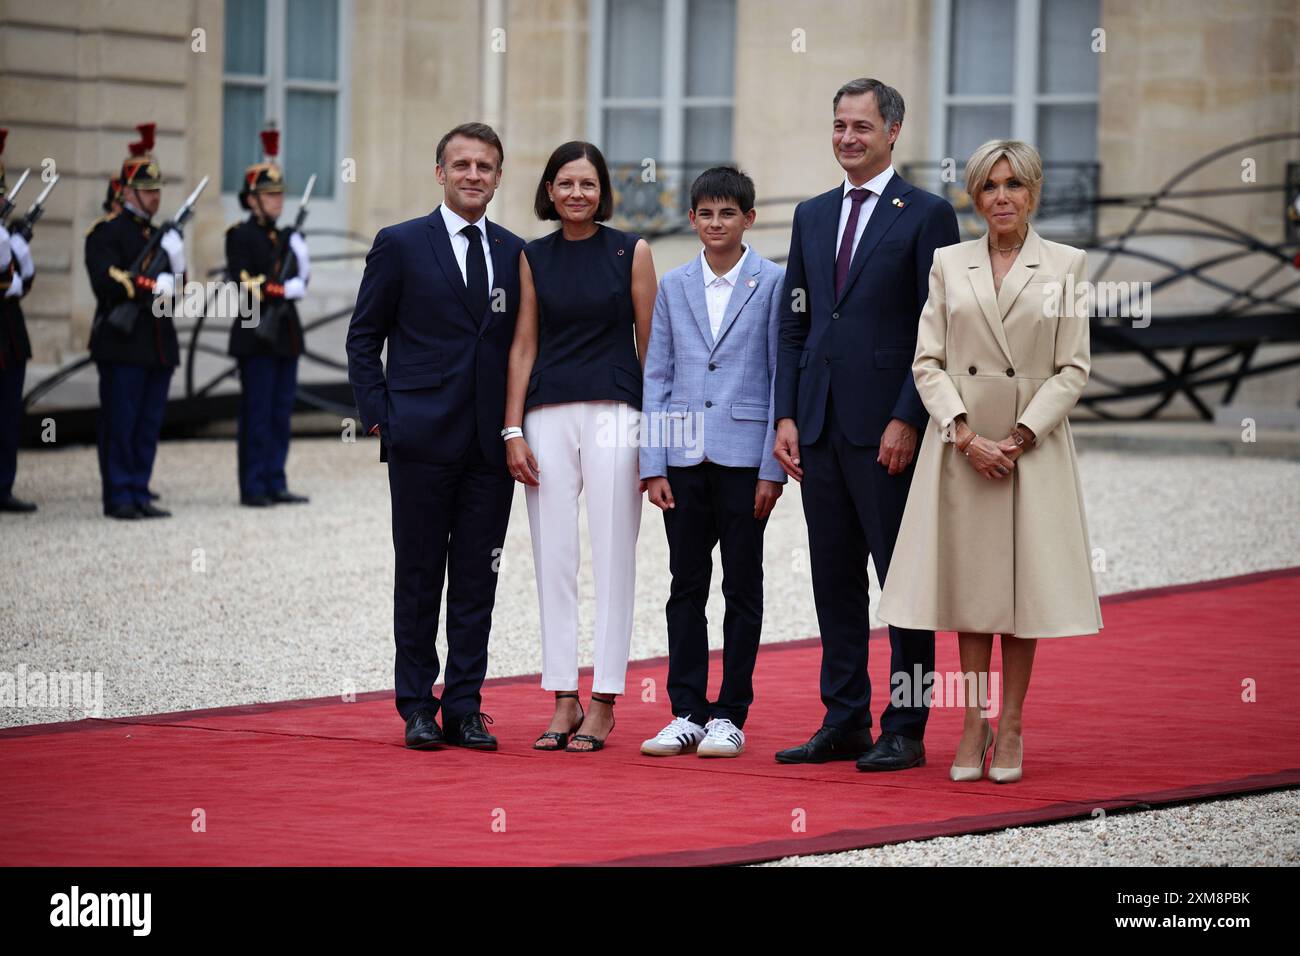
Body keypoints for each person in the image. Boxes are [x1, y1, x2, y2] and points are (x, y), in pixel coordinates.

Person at [878, 139, 1103, 784]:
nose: (1001, 197)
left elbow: (1072, 368)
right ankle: (970, 721)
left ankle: (1010, 724)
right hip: (963, 448)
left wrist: (1021, 436)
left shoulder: (1066, 264)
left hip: (1031, 449)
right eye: (988, 186)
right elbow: (927, 360)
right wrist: (963, 434)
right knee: (974, 590)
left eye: (1013, 185)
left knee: (1021, 593)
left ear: (1033, 191)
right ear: (974, 196)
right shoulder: (949, 263)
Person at [772, 78, 960, 770]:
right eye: (839, 125)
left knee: (902, 582)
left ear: (892, 132)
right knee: (835, 581)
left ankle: (906, 727)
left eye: (861, 127)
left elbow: (938, 327)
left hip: (888, 430)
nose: (847, 138)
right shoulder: (812, 214)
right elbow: (795, 324)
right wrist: (786, 412)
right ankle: (844, 718)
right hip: (818, 426)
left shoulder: (927, 214)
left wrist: (910, 417)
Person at [346, 122, 525, 752]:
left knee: (478, 578)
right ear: (440, 173)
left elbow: (519, 345)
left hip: (488, 446)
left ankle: (466, 706)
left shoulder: (513, 250)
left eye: (485, 166)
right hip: (420, 438)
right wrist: (379, 416)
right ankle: (417, 705)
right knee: (420, 576)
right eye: (462, 165)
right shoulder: (399, 244)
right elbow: (364, 336)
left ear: (499, 177)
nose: (474, 175)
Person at [503, 140, 656, 753]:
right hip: (546, 413)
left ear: (602, 191)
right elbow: (523, 344)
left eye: (587, 184)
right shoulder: (530, 255)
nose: (576, 194)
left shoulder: (631, 250)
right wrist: (512, 428)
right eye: (565, 183)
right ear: (548, 190)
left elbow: (655, 347)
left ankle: (605, 699)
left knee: (614, 553)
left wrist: (660, 440)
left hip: (618, 412)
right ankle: (563, 695)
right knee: (554, 556)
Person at [638, 166, 786, 759]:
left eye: (728, 213)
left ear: (748, 219)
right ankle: (686, 711)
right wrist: (654, 463)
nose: (716, 223)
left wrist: (772, 469)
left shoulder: (773, 281)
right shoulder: (673, 284)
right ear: (693, 219)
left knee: (743, 585)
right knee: (685, 585)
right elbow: (659, 373)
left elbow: (780, 376)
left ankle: (731, 712)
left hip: (745, 457)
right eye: (706, 213)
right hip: (683, 456)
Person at [85, 122, 184, 520]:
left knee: (146, 423)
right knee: (120, 422)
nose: (155, 197)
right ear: (126, 191)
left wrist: (176, 264)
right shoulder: (106, 232)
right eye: (147, 190)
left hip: (157, 341)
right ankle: (119, 494)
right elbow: (105, 279)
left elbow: (178, 290)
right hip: (121, 341)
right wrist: (149, 282)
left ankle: (139, 488)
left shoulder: (161, 234)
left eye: (158, 190)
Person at [226, 123, 310, 507]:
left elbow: (300, 280)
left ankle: (275, 479)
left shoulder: (286, 237)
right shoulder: (239, 236)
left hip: (285, 334)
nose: (277, 201)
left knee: (280, 413)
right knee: (256, 414)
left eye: (278, 194)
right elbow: (246, 282)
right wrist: (280, 286)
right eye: (269, 195)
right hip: (255, 332)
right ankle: (253, 484)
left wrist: (299, 265)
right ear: (252, 200)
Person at [0, 128, 37, 513]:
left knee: (8, 417)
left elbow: (22, 286)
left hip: (9, 338)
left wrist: (22, 260)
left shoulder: (5, 235)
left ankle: (3, 485)